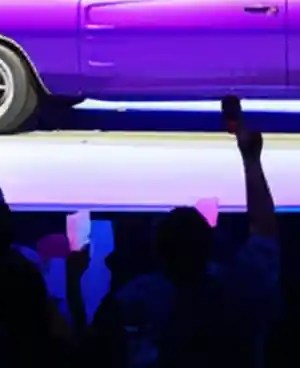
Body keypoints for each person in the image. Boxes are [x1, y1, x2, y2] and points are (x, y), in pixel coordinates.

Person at [98, 97, 278, 367]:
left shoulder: (135, 299)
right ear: (210, 245)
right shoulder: (238, 287)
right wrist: (251, 160)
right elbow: (264, 232)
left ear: (158, 251)